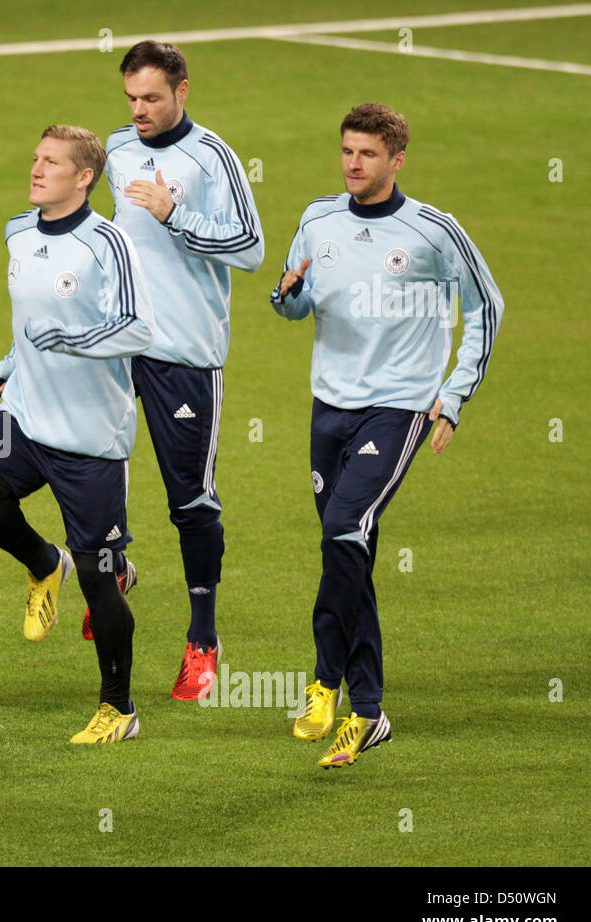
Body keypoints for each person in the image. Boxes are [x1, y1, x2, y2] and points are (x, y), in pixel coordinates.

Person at [271, 103, 502, 767]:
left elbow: (486, 305)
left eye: (367, 154)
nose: (352, 163)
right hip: (328, 405)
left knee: (343, 531)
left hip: (398, 408)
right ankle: (369, 713)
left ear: (397, 159)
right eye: (347, 150)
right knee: (352, 551)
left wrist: (452, 396)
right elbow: (297, 300)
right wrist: (287, 296)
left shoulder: (433, 231)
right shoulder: (319, 219)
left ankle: (323, 682)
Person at [0, 125, 154, 743]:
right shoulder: (18, 231)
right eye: (35, 157)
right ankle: (45, 564)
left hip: (91, 438)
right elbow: (33, 320)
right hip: (29, 418)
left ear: (84, 176)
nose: (36, 169)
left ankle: (119, 709)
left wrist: (72, 342)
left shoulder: (107, 245)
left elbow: (139, 330)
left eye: (52, 162)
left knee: (101, 576)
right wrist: (9, 364)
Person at [104, 40, 264, 700]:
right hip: (116, 344)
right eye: (131, 99)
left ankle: (203, 640)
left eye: (152, 98)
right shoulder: (114, 150)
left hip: (186, 352)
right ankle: (110, 571)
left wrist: (178, 217)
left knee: (190, 500)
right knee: (84, 464)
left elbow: (251, 248)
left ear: (182, 91)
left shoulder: (211, 158)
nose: (140, 110)